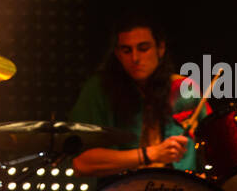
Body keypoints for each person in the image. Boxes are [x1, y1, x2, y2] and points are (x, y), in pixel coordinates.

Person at [68, 24, 210, 177]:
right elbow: (81, 163)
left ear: (160, 48)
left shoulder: (184, 89)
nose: (135, 58)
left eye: (143, 48)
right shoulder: (99, 90)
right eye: (126, 50)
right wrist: (151, 154)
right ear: (117, 53)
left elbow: (216, 145)